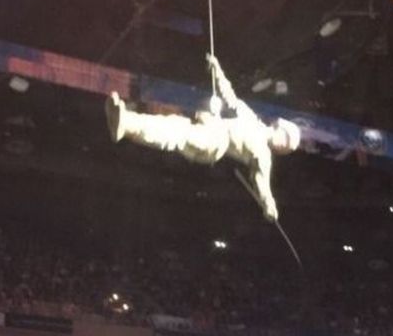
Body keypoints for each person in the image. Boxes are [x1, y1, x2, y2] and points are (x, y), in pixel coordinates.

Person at [105, 54, 301, 222]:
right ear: (279, 127)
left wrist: (268, 203)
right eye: (285, 138)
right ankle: (126, 121)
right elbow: (230, 96)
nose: (282, 142)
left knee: (176, 133)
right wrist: (217, 71)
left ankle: (127, 124)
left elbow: (262, 182)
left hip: (216, 143)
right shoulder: (251, 118)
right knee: (173, 125)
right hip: (212, 126)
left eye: (285, 144)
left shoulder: (264, 155)